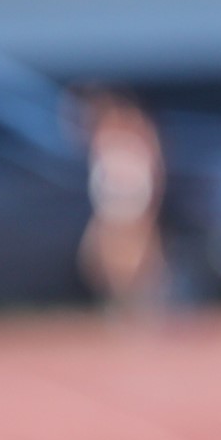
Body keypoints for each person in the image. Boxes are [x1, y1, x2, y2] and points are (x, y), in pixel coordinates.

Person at [76, 86, 168, 314]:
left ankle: (145, 301)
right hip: (110, 206)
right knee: (102, 259)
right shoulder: (103, 136)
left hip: (134, 203)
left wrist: (150, 205)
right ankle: (118, 301)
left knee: (139, 257)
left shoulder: (140, 133)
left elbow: (154, 171)